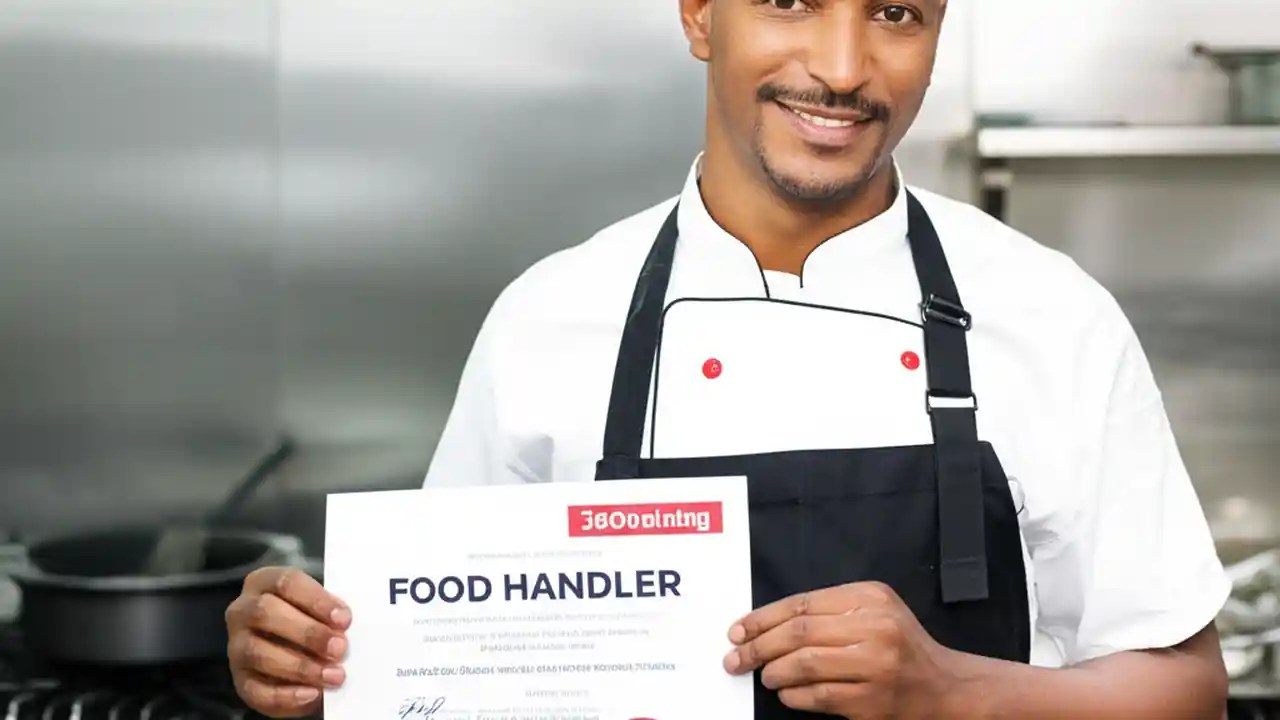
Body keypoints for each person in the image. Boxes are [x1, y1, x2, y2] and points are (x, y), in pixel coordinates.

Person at [225, 0, 1234, 717]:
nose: (842, 67)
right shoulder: (548, 320)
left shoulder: (1049, 313)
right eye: (789, 0)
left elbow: (1185, 695)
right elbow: (444, 679)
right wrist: (322, 675)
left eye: (893, 13)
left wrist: (951, 693)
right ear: (699, 13)